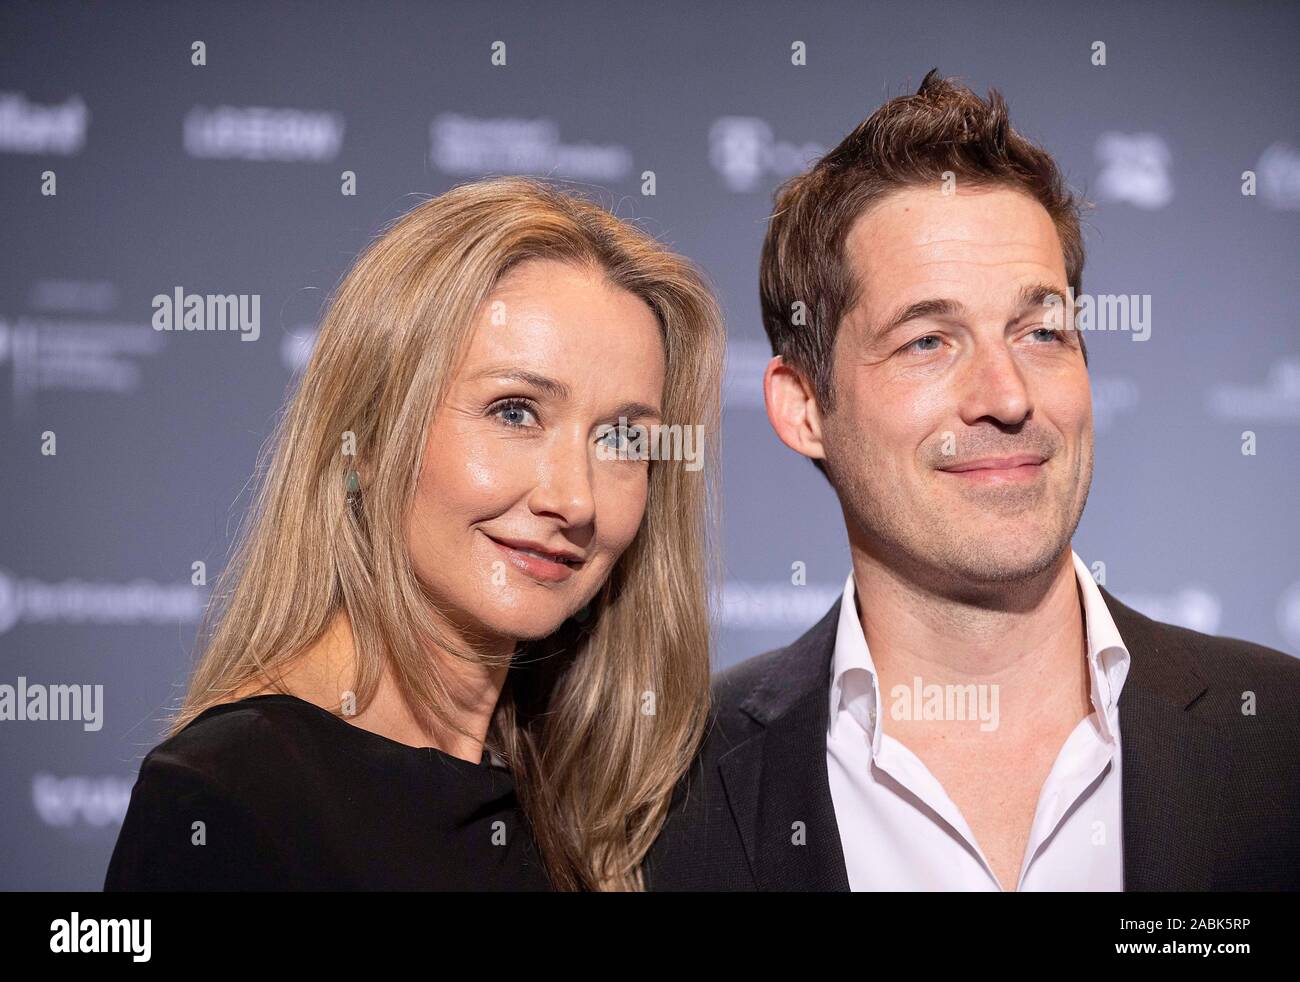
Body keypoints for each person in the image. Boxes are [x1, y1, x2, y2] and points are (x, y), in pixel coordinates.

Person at [646, 70, 1300, 891]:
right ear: (804, 405)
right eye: (929, 340)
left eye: (1041, 331)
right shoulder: (667, 795)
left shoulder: (1278, 739)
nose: (1008, 396)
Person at [104, 176, 725, 891]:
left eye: (620, 439)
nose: (575, 499)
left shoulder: (613, 804)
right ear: (363, 442)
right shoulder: (232, 798)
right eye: (515, 412)